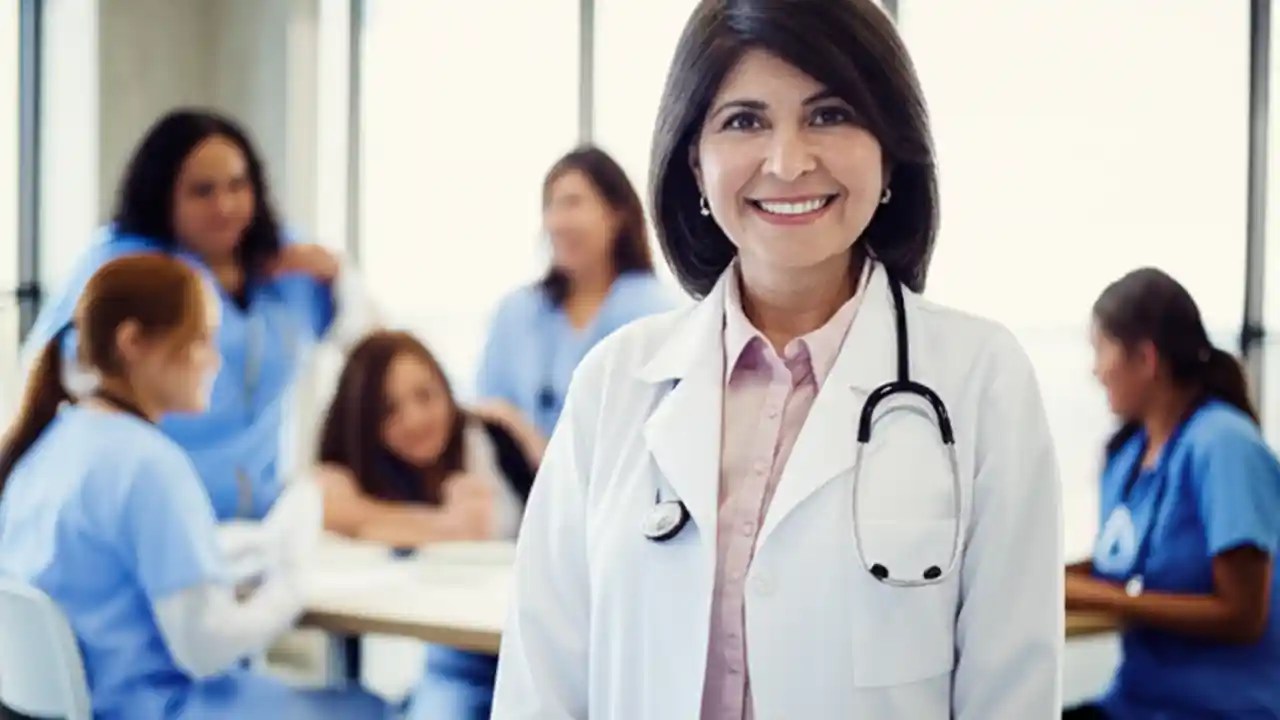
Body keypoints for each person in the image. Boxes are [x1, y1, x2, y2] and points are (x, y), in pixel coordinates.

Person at [491, 1, 1062, 718]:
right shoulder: (614, 383)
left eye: (829, 115)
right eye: (744, 120)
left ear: (892, 149)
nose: (789, 161)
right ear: (693, 161)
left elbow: (1011, 694)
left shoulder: (982, 378)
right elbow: (540, 684)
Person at [0, 255, 388, 720]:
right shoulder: (147, 464)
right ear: (133, 343)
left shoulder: (50, 447)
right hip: (156, 709)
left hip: (86, 707)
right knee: (370, 708)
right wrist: (292, 584)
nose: (215, 360)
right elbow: (206, 647)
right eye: (202, 339)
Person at [21, 109, 377, 521]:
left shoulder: (290, 262)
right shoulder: (126, 267)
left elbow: (372, 352)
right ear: (163, 196)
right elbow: (63, 374)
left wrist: (340, 275)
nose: (224, 206)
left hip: (254, 524)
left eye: (237, 185)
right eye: (202, 191)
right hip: (151, 515)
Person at [1063, 268, 1280, 719]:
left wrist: (1087, 596)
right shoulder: (1128, 454)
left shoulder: (1224, 445)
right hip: (1134, 704)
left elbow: (1243, 615)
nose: (1095, 369)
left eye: (1100, 349)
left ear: (1145, 358)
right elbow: (1113, 566)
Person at [314, 330, 540, 720]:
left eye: (425, 395)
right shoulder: (355, 471)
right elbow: (327, 504)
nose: (414, 419)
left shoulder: (497, 432)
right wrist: (446, 525)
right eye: (388, 411)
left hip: (532, 645)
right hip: (453, 657)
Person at [475, 145, 680, 441]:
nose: (557, 223)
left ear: (617, 214)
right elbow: (488, 410)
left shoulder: (656, 313)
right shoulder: (517, 312)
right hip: (520, 483)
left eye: (572, 203)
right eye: (550, 206)